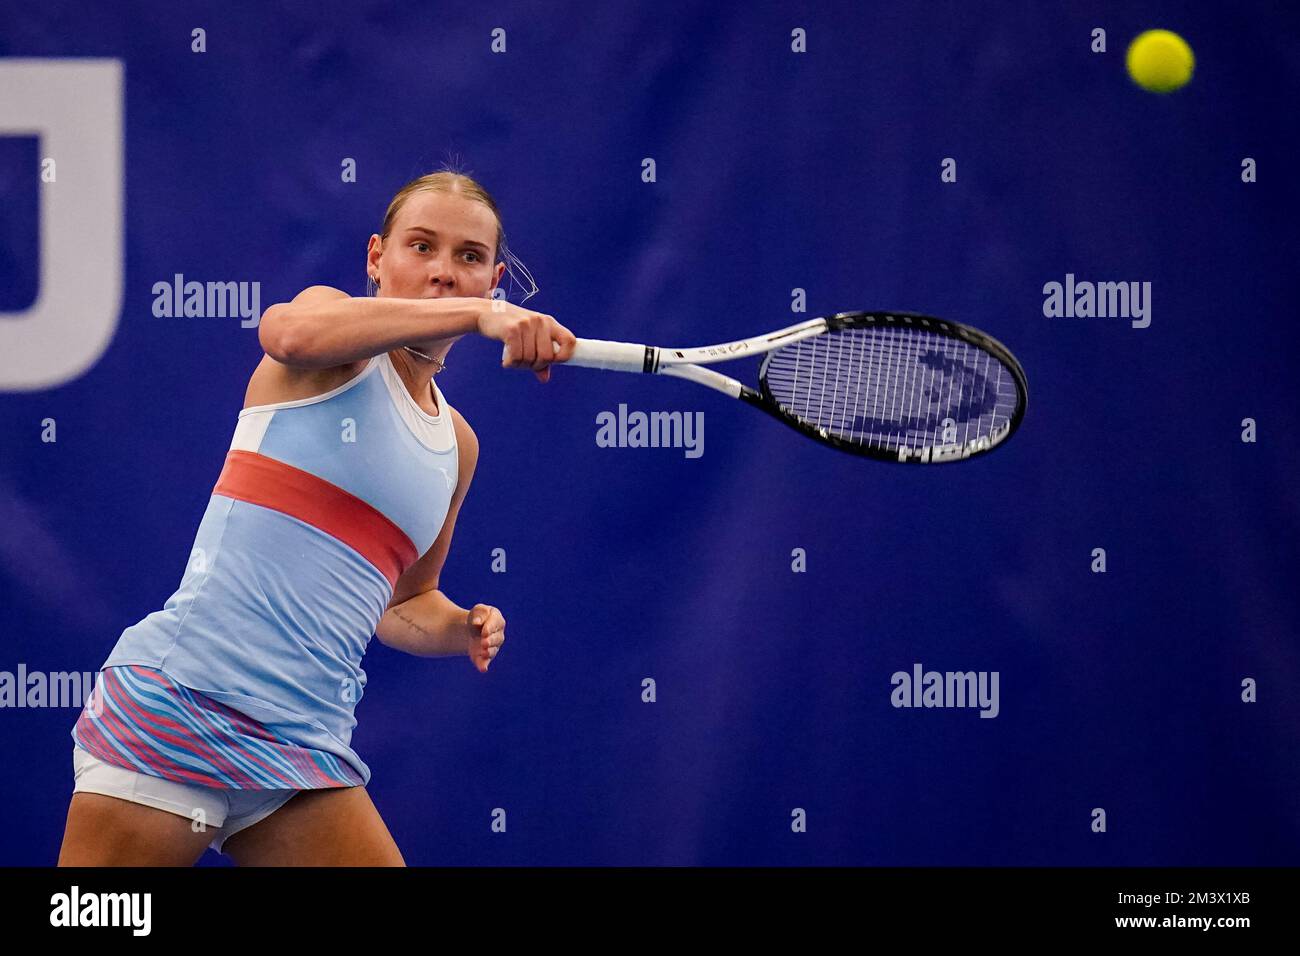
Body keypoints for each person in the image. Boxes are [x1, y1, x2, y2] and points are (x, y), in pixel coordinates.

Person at [57, 169, 576, 866]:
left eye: (469, 258)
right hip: (184, 703)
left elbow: (404, 602)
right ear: (375, 258)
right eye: (421, 247)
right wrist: (474, 320)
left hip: (301, 748)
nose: (444, 273)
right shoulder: (328, 345)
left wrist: (459, 628)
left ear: (493, 279)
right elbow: (289, 333)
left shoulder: (458, 446)